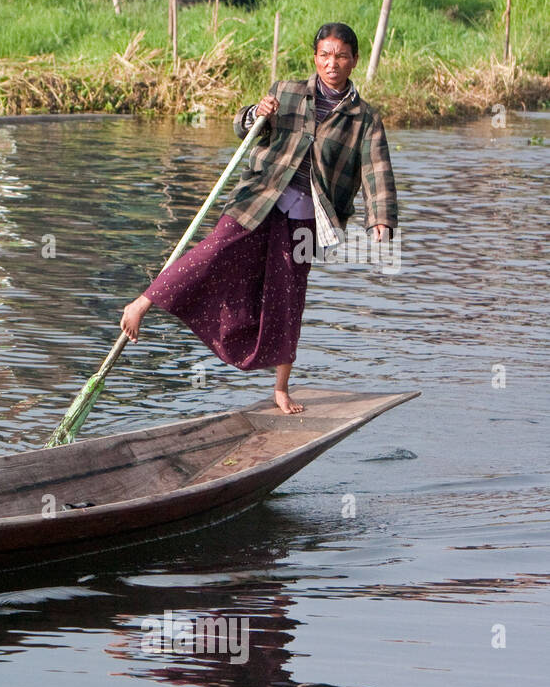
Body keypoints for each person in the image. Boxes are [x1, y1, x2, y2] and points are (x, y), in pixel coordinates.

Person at [120, 22, 398, 414]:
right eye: (324, 55)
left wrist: (380, 219)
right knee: (212, 252)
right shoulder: (285, 91)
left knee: (289, 296)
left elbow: (376, 170)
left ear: (354, 61)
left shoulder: (363, 118)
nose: (331, 64)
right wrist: (256, 113)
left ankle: (281, 388)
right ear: (315, 58)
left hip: (306, 216)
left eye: (340, 56)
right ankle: (142, 304)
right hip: (258, 198)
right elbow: (243, 127)